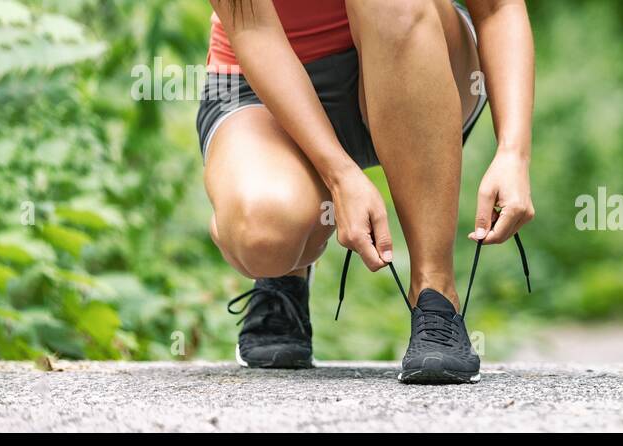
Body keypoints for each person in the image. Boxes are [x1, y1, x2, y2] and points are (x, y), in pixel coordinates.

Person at [198, 0, 535, 383]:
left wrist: (513, 152)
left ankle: (435, 296)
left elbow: (498, 9)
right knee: (264, 233)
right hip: (262, 85)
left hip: (417, 51)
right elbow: (253, 29)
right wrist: (339, 174)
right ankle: (287, 274)